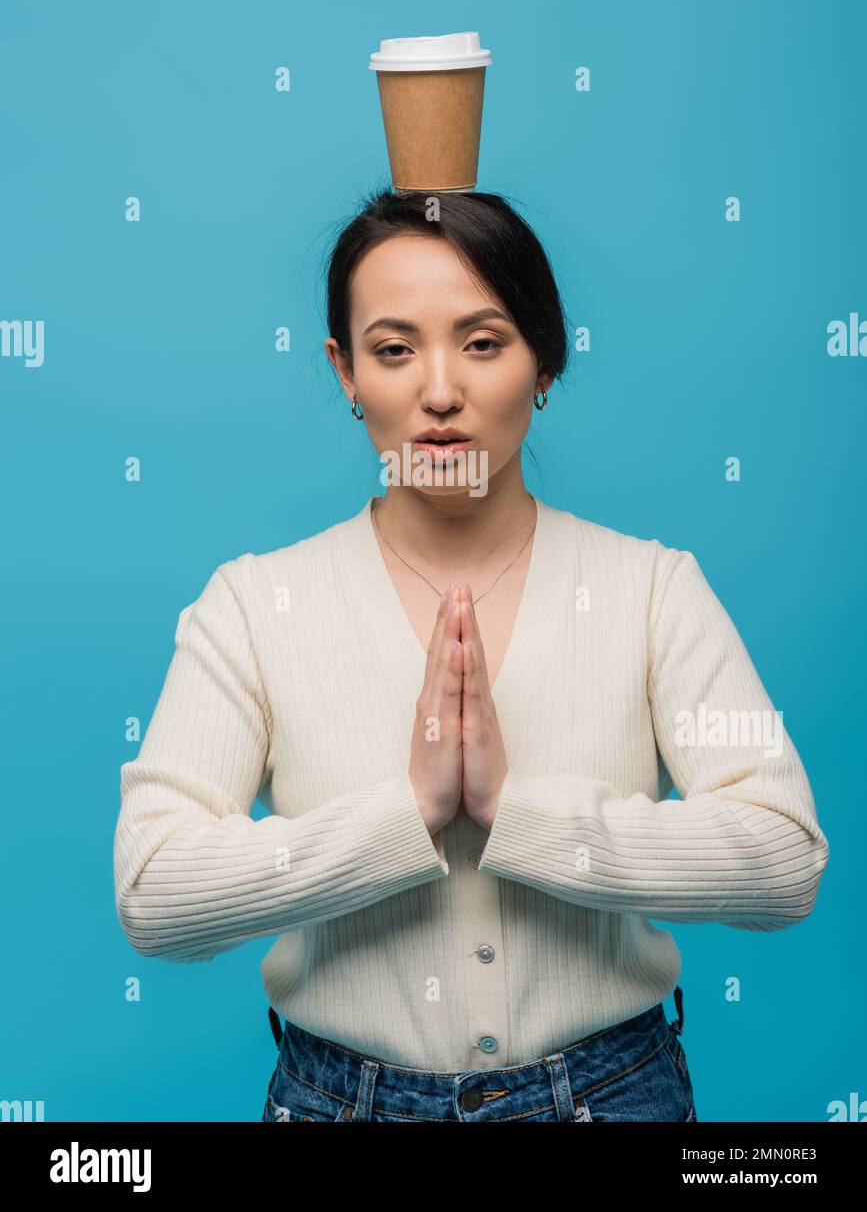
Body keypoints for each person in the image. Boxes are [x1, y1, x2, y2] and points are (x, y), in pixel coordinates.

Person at [113, 189, 830, 1123]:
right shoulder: (252, 605)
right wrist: (405, 816)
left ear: (543, 361)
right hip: (341, 1100)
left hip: (611, 1096)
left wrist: (513, 813)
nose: (440, 390)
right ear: (344, 371)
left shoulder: (650, 587)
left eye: (483, 342)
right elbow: (154, 893)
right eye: (394, 348)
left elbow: (783, 861)